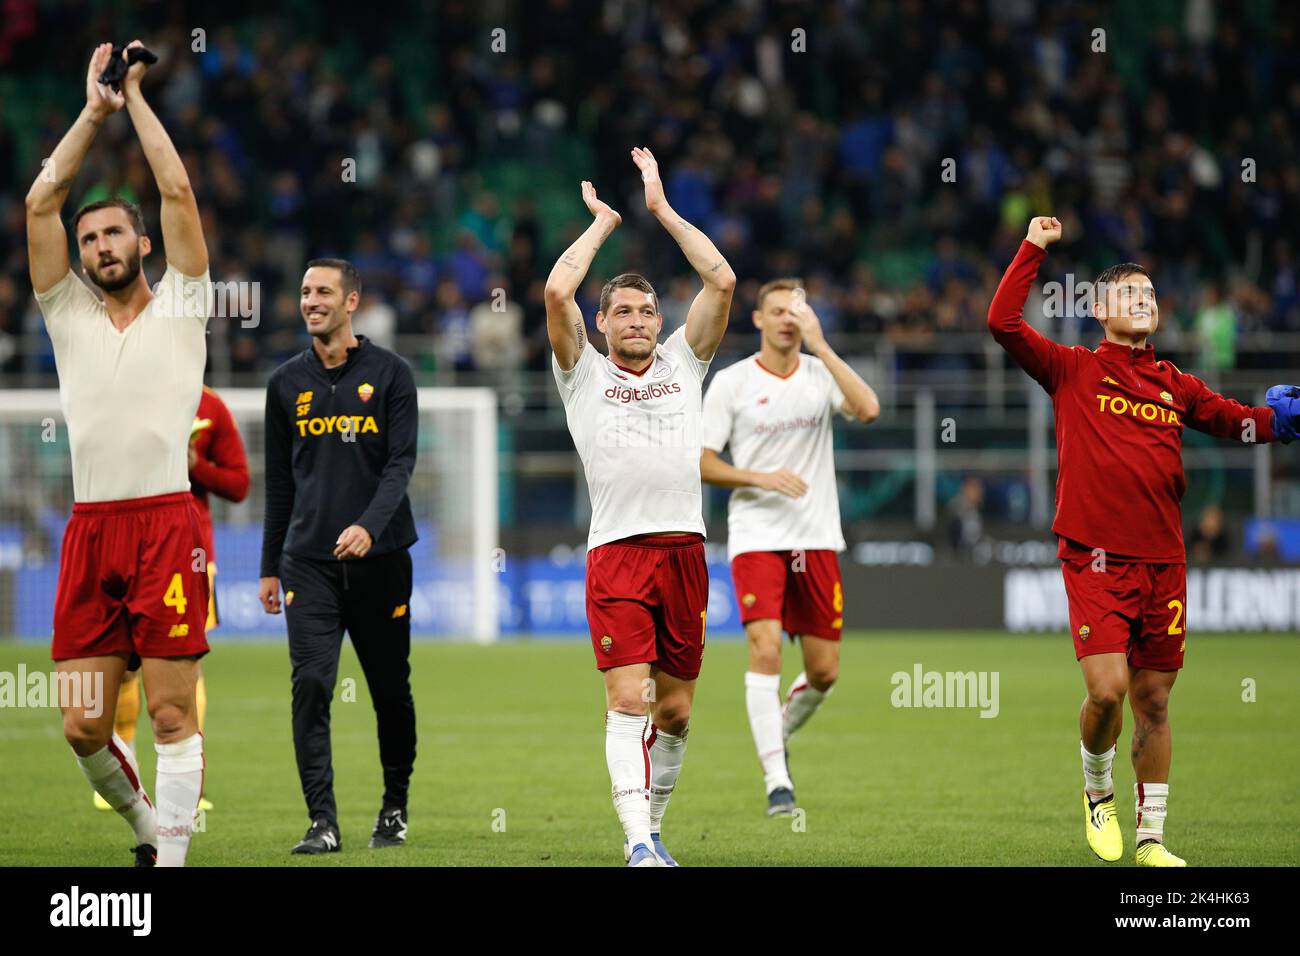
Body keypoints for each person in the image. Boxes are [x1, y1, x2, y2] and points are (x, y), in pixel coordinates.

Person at [988, 216, 1300, 866]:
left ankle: (1152, 841)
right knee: (1106, 692)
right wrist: (1033, 248)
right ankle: (1096, 790)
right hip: (1095, 557)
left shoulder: (1174, 383)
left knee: (1153, 700)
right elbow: (1002, 324)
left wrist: (1284, 422)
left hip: (1165, 561)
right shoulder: (1071, 370)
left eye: (1152, 296)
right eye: (1131, 295)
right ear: (1100, 309)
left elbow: (1235, 421)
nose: (1145, 303)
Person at [27, 41, 212, 867]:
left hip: (167, 526)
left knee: (172, 718)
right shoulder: (65, 312)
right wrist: (91, 113)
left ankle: (169, 864)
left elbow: (176, 188)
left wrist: (133, 97)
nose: (99, 244)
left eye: (114, 233)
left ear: (143, 246)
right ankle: (148, 829)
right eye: (89, 236)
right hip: (90, 532)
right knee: (80, 724)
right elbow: (40, 203)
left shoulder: (185, 303)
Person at [545, 147, 735, 866]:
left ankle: (654, 829)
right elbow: (556, 296)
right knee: (628, 699)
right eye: (621, 311)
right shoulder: (582, 374)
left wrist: (663, 211)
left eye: (647, 310)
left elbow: (721, 278)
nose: (636, 320)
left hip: (686, 553)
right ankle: (637, 844)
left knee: (677, 711)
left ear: (662, 320)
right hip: (619, 555)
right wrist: (602, 226)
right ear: (602, 325)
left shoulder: (687, 361)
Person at [699, 279, 879, 815]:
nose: (786, 320)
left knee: (824, 672)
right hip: (758, 537)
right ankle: (777, 780)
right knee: (766, 649)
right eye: (776, 311)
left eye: (796, 312)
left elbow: (868, 409)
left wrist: (822, 346)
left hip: (817, 537)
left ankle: (773, 734)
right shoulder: (732, 383)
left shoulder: (821, 374)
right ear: (757, 320)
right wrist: (759, 478)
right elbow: (702, 461)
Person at [259, 258, 420, 855]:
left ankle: (394, 807)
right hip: (308, 564)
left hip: (381, 564)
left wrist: (367, 529)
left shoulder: (392, 374)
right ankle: (322, 821)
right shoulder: (285, 384)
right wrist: (268, 566)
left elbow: (401, 464)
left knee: (389, 691)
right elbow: (280, 482)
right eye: (304, 292)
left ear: (352, 302)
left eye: (323, 291)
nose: (310, 301)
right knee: (313, 685)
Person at [94, 384, 249, 813]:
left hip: (192, 555)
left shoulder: (211, 407)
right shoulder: (121, 393)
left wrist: (196, 466)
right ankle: (121, 772)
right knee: (123, 668)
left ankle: (187, 782)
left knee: (186, 667)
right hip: (125, 549)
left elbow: (239, 484)